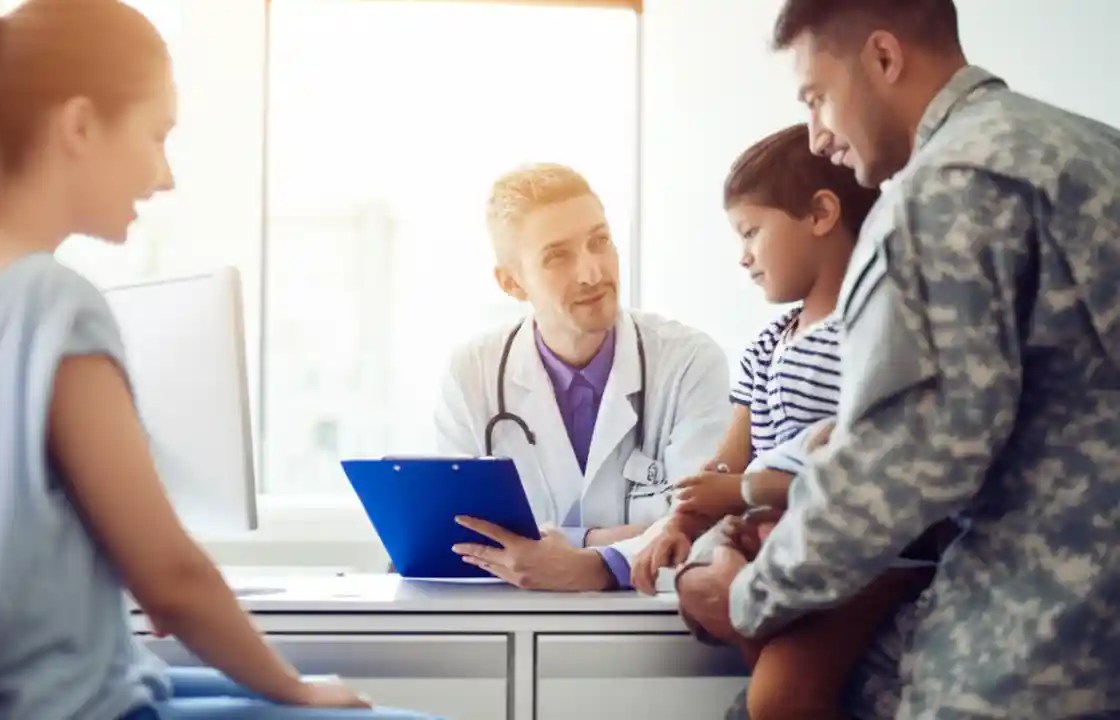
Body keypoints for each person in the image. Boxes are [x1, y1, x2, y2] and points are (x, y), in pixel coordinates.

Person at [0, 2, 436, 719]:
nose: (164, 178)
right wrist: (297, 690)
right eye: (157, 136)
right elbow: (173, 581)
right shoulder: (50, 305)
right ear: (81, 125)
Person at [679, 0, 1120, 718]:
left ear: (884, 59)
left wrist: (749, 599)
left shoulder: (942, 191)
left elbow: (903, 462)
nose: (819, 137)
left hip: (1030, 659)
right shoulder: (1096, 152)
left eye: (817, 98)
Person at [630, 124, 938, 720]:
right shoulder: (768, 345)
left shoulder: (871, 332)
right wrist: (681, 519)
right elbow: (728, 459)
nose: (743, 255)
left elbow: (871, 470)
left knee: (775, 701)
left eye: (751, 232)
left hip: (858, 558)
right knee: (699, 587)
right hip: (775, 545)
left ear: (821, 214)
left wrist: (748, 495)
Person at [434, 163, 730, 591]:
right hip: (513, 625)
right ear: (511, 283)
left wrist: (588, 562)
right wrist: (611, 539)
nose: (593, 273)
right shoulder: (471, 374)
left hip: (652, 632)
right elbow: (464, 538)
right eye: (558, 256)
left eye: (600, 242)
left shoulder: (689, 363)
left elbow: (704, 530)